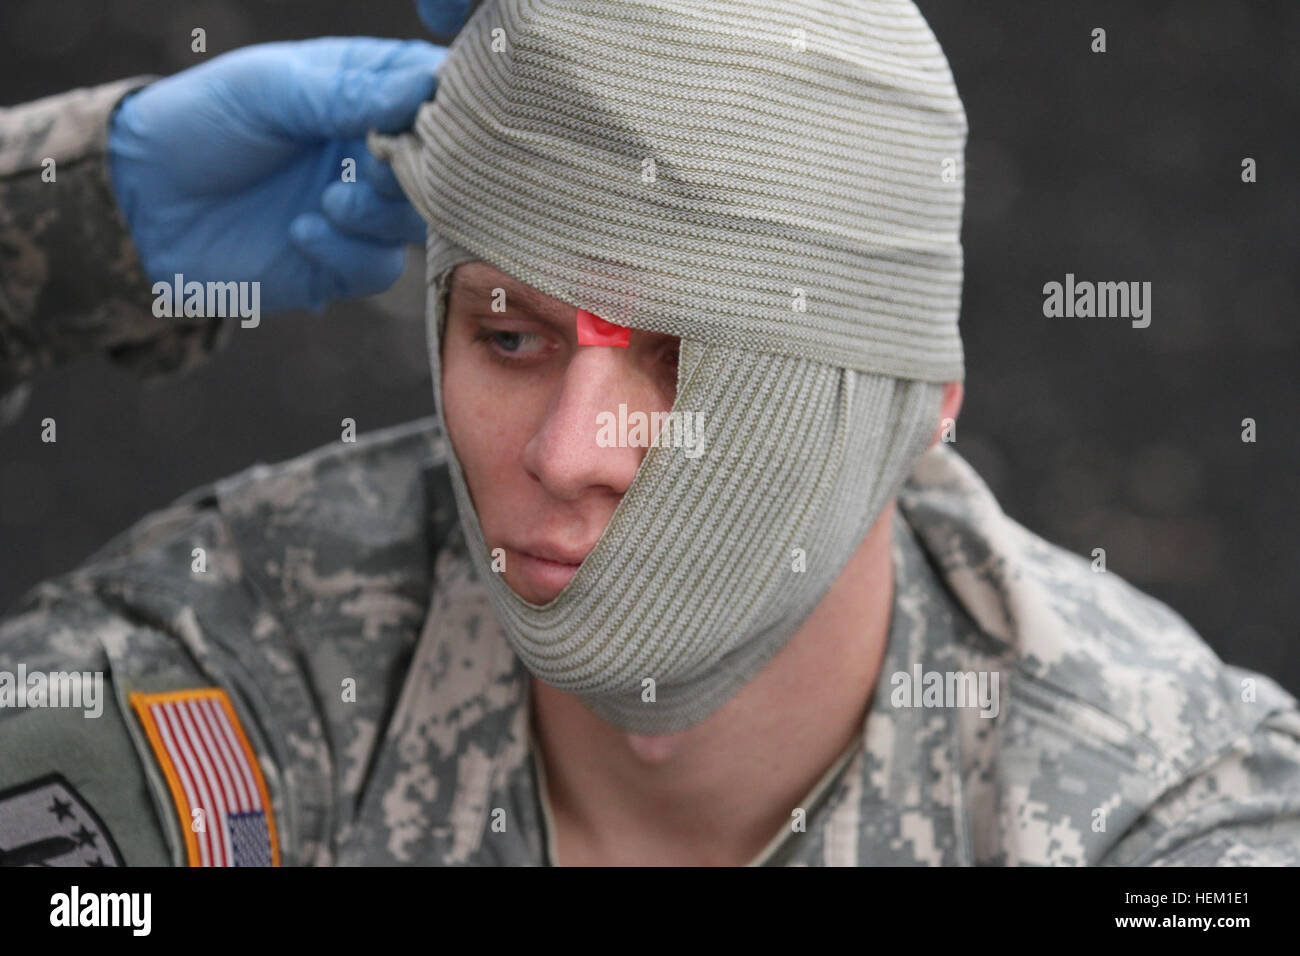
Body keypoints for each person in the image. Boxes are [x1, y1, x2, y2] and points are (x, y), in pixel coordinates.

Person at [2, 0, 1298, 868]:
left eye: (685, 358)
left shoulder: (1151, 816)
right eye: (510, 337)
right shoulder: (260, 661)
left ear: (922, 408)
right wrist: (54, 238)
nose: (567, 453)